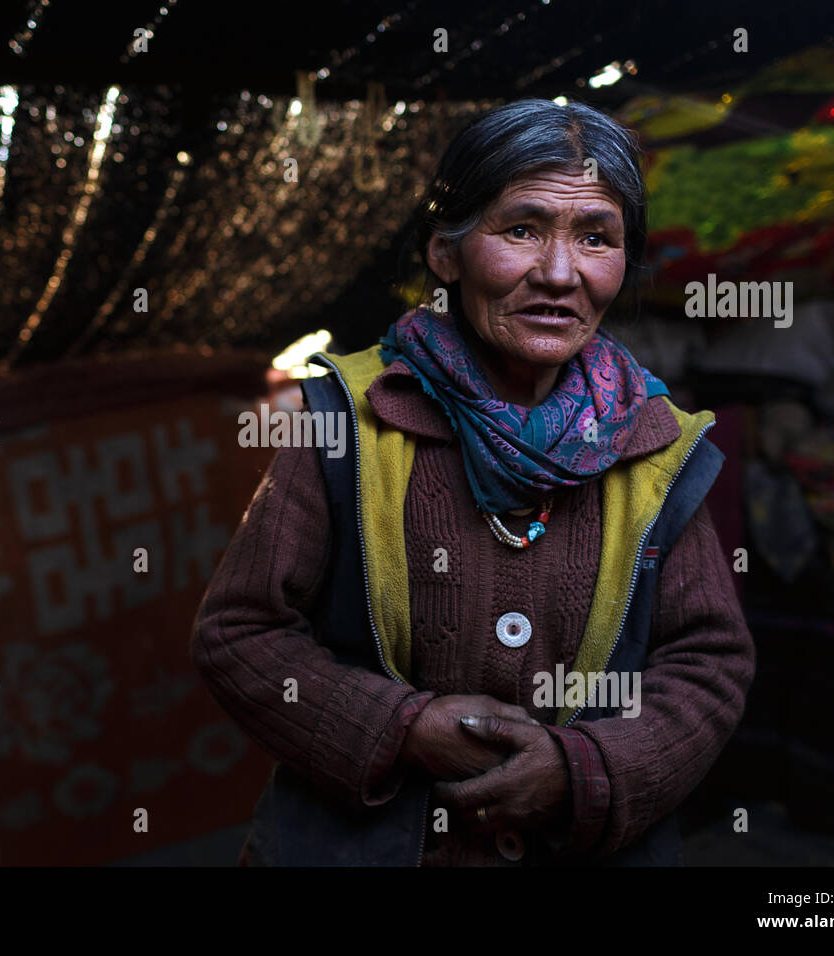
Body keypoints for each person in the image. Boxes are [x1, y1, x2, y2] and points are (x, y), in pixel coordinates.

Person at [191, 99, 755, 866]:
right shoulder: (348, 420)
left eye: (596, 237)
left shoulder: (657, 445)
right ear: (444, 253)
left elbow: (709, 663)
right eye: (521, 229)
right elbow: (240, 634)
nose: (559, 274)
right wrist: (402, 729)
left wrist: (579, 770)